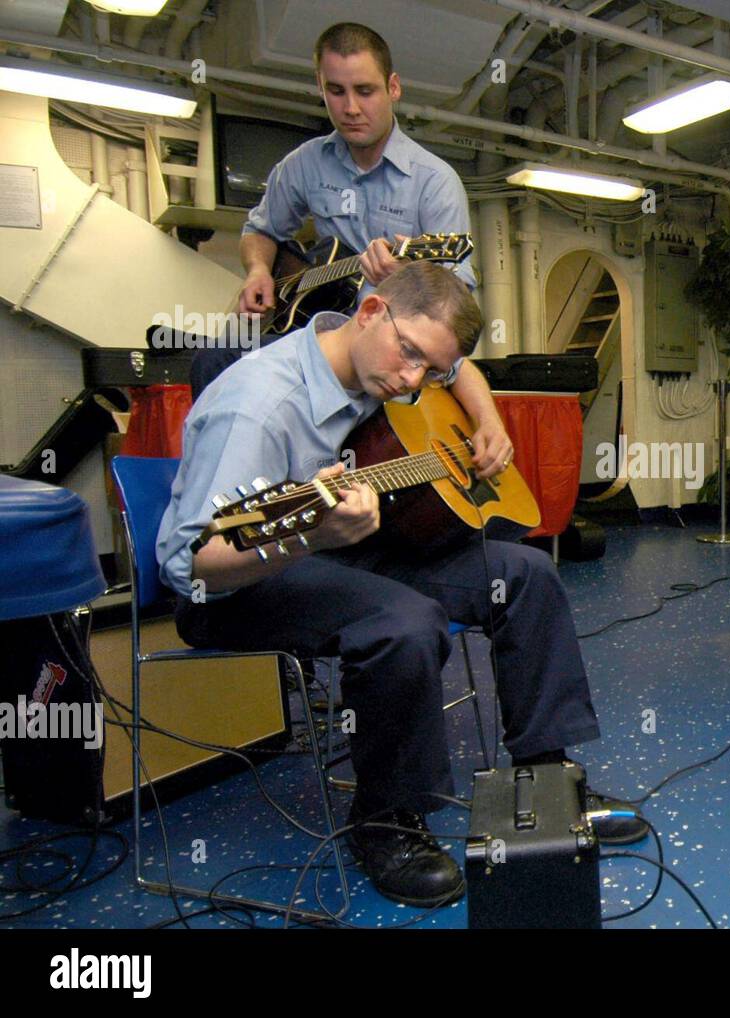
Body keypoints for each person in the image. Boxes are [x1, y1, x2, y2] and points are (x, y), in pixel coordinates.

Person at [158, 261, 646, 908]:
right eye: (409, 355)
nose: (413, 379)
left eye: (431, 371)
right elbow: (189, 561)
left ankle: (545, 784)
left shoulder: (379, 365)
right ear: (368, 312)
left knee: (526, 572)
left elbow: (443, 366)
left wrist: (484, 419)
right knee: (402, 621)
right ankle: (388, 822)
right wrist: (313, 536)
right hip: (236, 588)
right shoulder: (259, 406)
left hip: (348, 552)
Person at [192, 21, 478, 397]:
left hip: (379, 355)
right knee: (214, 358)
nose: (351, 108)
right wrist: (260, 269)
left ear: (393, 87)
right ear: (320, 88)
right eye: (336, 92)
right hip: (311, 333)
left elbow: (456, 301)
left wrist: (407, 276)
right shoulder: (305, 163)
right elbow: (261, 229)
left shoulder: (435, 182)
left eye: (365, 91)